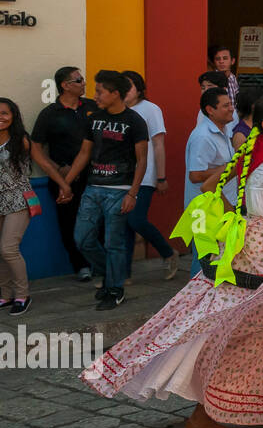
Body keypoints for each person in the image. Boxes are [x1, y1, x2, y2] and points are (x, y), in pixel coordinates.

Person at [81, 92, 263, 428]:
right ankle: (202, 414)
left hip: (245, 246)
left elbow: (207, 186)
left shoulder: (251, 152)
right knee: (243, 333)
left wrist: (240, 219)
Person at [64, 71, 150, 310]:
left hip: (120, 190)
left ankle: (114, 288)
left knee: (114, 242)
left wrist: (133, 193)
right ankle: (110, 273)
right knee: (82, 238)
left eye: (100, 91)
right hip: (93, 188)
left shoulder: (135, 121)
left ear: (115, 94)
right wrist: (66, 183)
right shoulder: (94, 119)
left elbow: (142, 160)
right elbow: (84, 153)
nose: (95, 95)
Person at [1, 99, 70, 315]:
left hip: (19, 199)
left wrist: (64, 185)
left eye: (4, 113)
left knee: (8, 248)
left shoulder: (20, 140)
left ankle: (23, 295)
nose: (0, 117)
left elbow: (44, 163)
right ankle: (5, 295)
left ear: (13, 116)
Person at [29, 66, 96, 281]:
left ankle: (100, 263)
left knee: (98, 222)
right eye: (79, 80)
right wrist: (57, 171)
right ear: (65, 86)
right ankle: (81, 266)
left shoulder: (93, 107)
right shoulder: (49, 114)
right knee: (69, 224)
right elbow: (35, 149)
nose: (84, 83)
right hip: (64, 179)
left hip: (95, 176)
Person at [121, 71, 180, 283]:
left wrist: (161, 177)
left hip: (146, 175)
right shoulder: (118, 110)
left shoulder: (150, 109)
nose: (125, 91)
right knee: (124, 223)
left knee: (135, 219)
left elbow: (158, 143)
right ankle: (123, 273)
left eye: (129, 86)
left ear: (139, 88)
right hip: (122, 176)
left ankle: (168, 252)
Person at [185, 88, 236, 275]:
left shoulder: (224, 130)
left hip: (221, 203)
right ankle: (195, 301)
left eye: (231, 104)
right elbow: (195, 175)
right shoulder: (203, 136)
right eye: (226, 105)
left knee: (215, 257)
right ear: (210, 110)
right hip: (204, 207)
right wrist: (231, 168)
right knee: (204, 259)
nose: (231, 109)